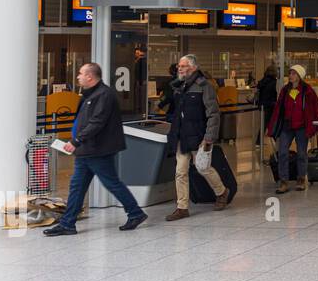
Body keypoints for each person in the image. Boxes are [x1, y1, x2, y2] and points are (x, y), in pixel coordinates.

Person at [43, 63, 147, 236]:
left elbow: (97, 123)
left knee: (111, 183)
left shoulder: (104, 95)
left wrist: (76, 141)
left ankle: (135, 213)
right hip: (86, 150)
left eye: (81, 74)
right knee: (77, 186)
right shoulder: (90, 95)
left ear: (90, 76)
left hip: (98, 149)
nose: (78, 77)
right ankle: (68, 223)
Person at [164, 54, 229, 220]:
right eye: (179, 66)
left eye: (183, 66)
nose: (179, 68)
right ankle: (182, 207)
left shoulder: (204, 86)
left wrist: (209, 137)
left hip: (200, 136)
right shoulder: (178, 86)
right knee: (180, 171)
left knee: (202, 167)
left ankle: (221, 191)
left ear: (193, 68)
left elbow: (213, 114)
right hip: (182, 136)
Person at [269, 64, 318, 194]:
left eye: (293, 73)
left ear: (299, 76)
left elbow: (315, 108)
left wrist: (316, 124)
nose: (290, 76)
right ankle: (283, 181)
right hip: (287, 126)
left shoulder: (307, 91)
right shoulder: (285, 90)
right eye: (290, 73)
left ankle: (301, 179)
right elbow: (278, 109)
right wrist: (271, 126)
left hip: (302, 127)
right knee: (282, 152)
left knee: (302, 154)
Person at [254, 64, 278, 144]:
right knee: (271, 123)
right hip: (270, 105)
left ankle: (259, 141)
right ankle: (276, 140)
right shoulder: (274, 82)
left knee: (264, 124)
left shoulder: (263, 80)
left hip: (262, 105)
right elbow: (274, 94)